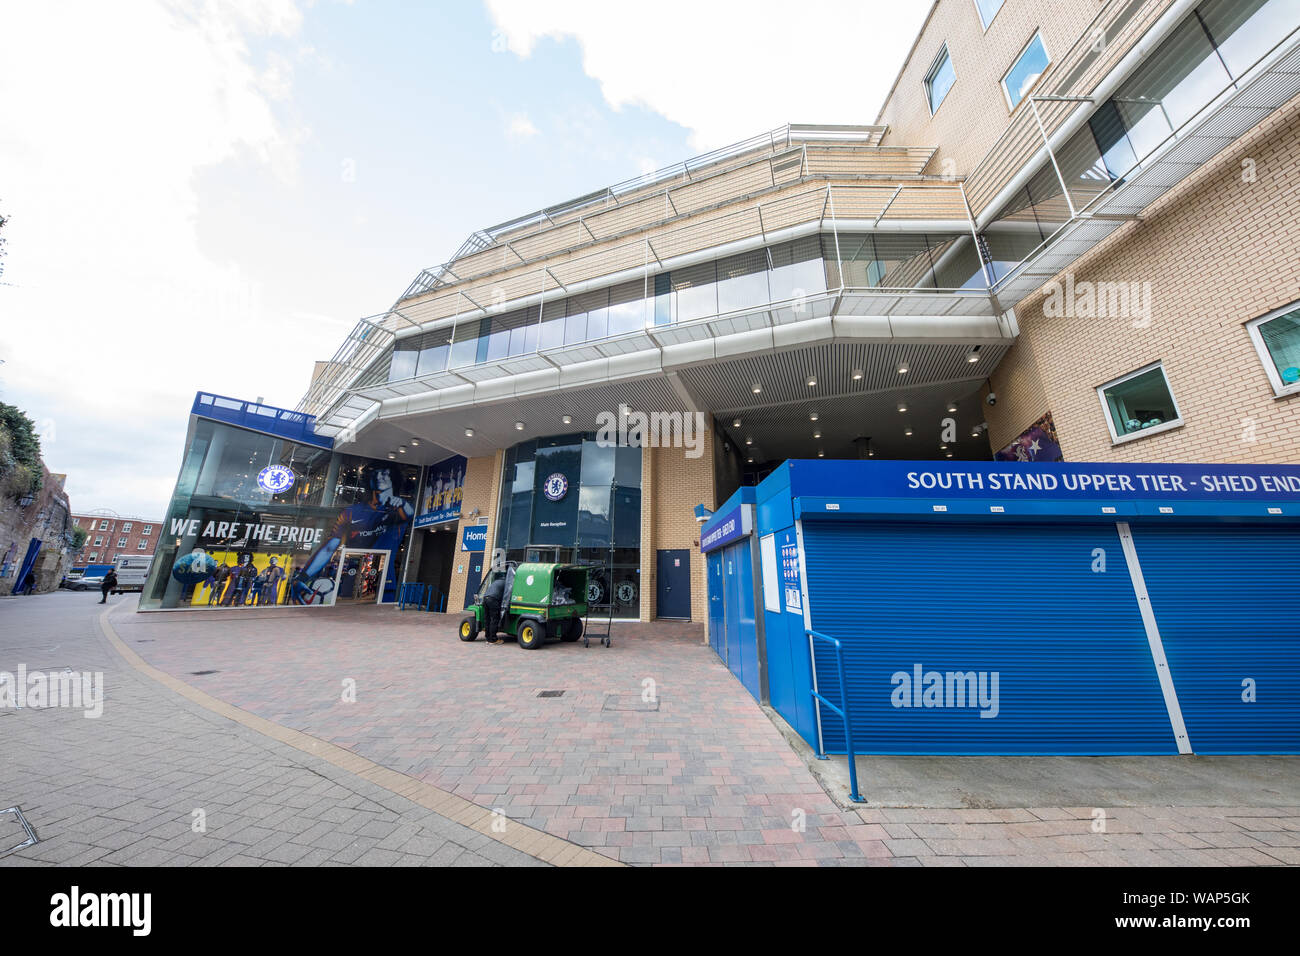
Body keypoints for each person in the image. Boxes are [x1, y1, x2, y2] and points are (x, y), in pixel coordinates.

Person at [483, 574, 506, 645]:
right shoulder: (507, 583)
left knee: (487, 619)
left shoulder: (496, 581)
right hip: (493, 599)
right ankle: (493, 639)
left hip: (485, 598)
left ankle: (488, 638)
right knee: (494, 619)